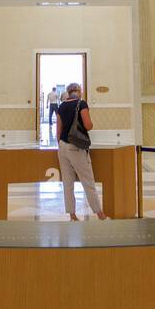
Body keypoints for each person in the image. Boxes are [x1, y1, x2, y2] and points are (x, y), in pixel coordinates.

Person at [55, 83, 106, 221]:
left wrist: (61, 144)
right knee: (88, 181)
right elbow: (88, 125)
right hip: (76, 147)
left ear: (68, 92)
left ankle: (72, 215)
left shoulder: (61, 106)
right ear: (78, 91)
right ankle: (100, 214)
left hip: (62, 147)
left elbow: (58, 131)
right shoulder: (81, 104)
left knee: (68, 183)